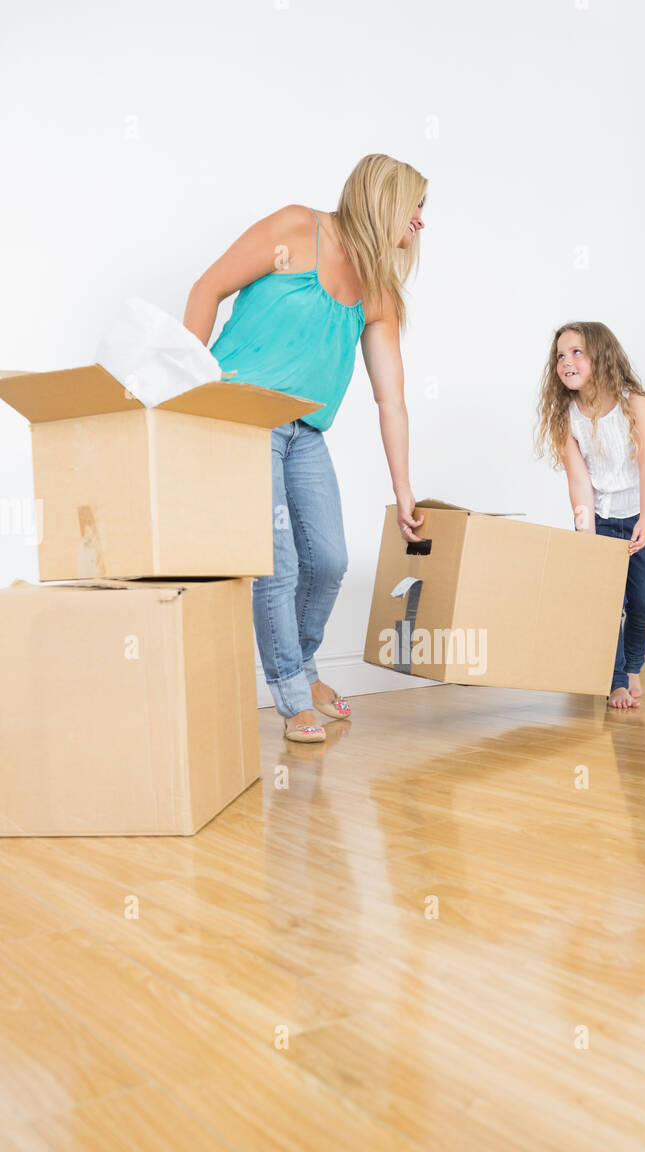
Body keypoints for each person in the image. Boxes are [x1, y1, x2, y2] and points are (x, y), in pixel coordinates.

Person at [184, 154, 427, 742]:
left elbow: (390, 400)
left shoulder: (378, 294)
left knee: (329, 561)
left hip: (304, 430)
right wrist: (181, 393)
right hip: (243, 417)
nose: (420, 221)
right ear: (386, 200)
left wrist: (404, 492)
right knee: (278, 564)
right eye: (416, 206)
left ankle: (305, 669)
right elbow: (207, 287)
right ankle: (292, 696)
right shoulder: (298, 230)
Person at [536, 321, 645, 709]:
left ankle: (633, 665)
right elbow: (579, 481)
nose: (566, 362)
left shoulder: (634, 403)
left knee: (644, 602)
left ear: (601, 357)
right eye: (560, 355)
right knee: (605, 603)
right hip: (601, 517)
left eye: (577, 352)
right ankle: (616, 683)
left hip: (640, 512)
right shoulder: (566, 416)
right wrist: (585, 533)